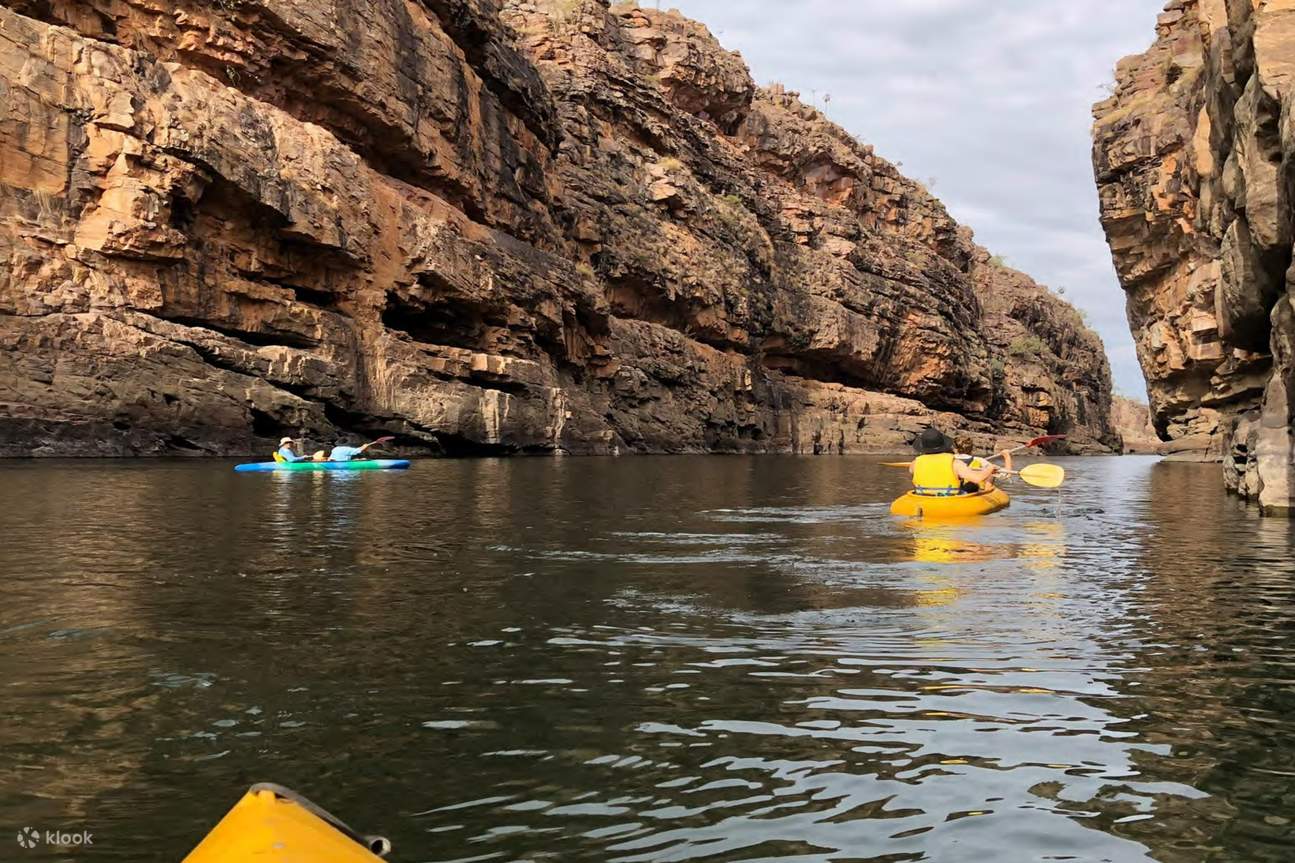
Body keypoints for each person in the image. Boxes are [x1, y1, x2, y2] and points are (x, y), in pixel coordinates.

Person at [909, 427, 1011, 495]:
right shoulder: (955, 463)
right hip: (948, 499)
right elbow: (977, 478)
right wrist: (991, 468)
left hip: (923, 498)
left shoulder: (914, 464)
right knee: (975, 484)